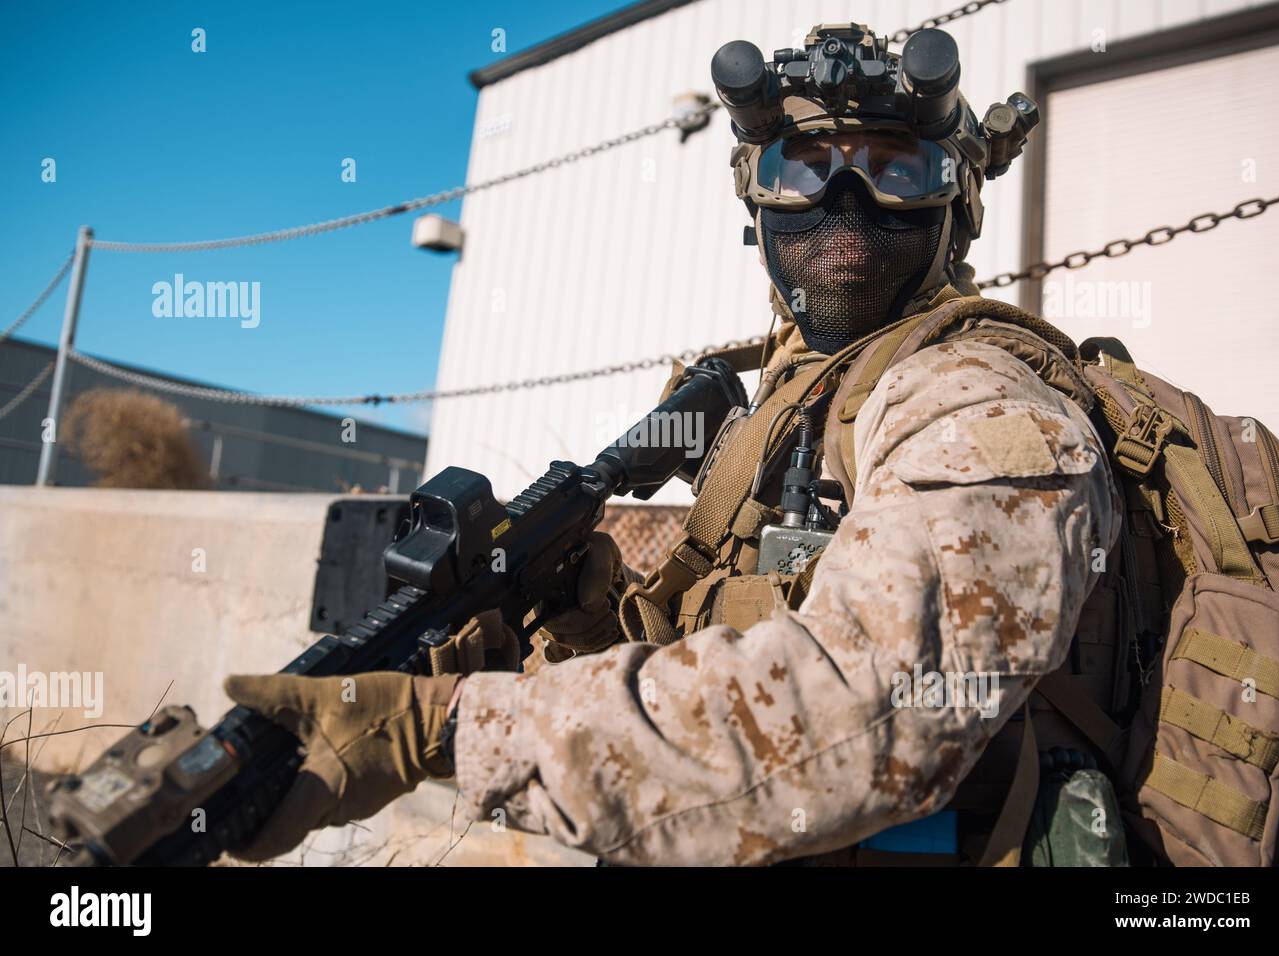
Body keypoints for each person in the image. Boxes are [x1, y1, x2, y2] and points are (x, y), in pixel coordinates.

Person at [222, 23, 1122, 866]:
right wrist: (591, 628)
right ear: (755, 204)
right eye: (804, 171)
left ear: (955, 206)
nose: (845, 202)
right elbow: (750, 660)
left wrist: (455, 729)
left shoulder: (969, 392)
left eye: (893, 171)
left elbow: (880, 704)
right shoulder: (794, 397)